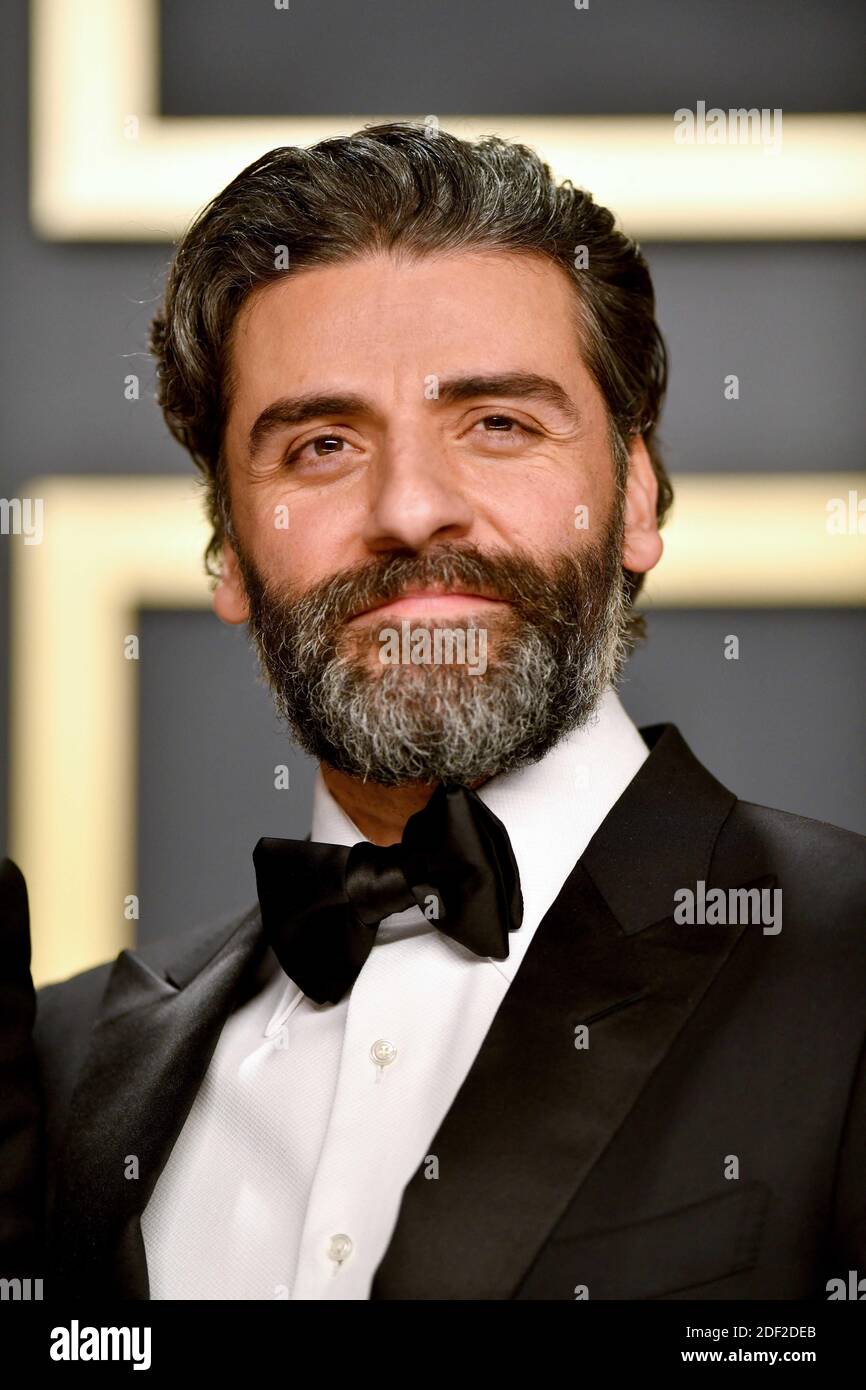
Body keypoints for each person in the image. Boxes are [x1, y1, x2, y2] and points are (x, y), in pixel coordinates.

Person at [15, 123, 866, 1300]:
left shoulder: (847, 969)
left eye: (499, 424)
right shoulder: (57, 1068)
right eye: (320, 444)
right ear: (224, 548)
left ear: (634, 497)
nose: (411, 509)